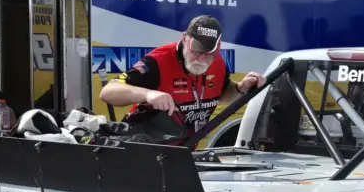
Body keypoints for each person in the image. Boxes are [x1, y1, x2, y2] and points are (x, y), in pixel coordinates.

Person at [99, 15, 266, 146]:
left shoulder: (218, 63)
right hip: (147, 150)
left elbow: (221, 95)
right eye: (197, 50)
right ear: (185, 38)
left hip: (185, 152)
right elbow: (107, 92)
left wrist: (240, 88)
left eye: (209, 53)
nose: (201, 58)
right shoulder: (159, 61)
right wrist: (148, 94)